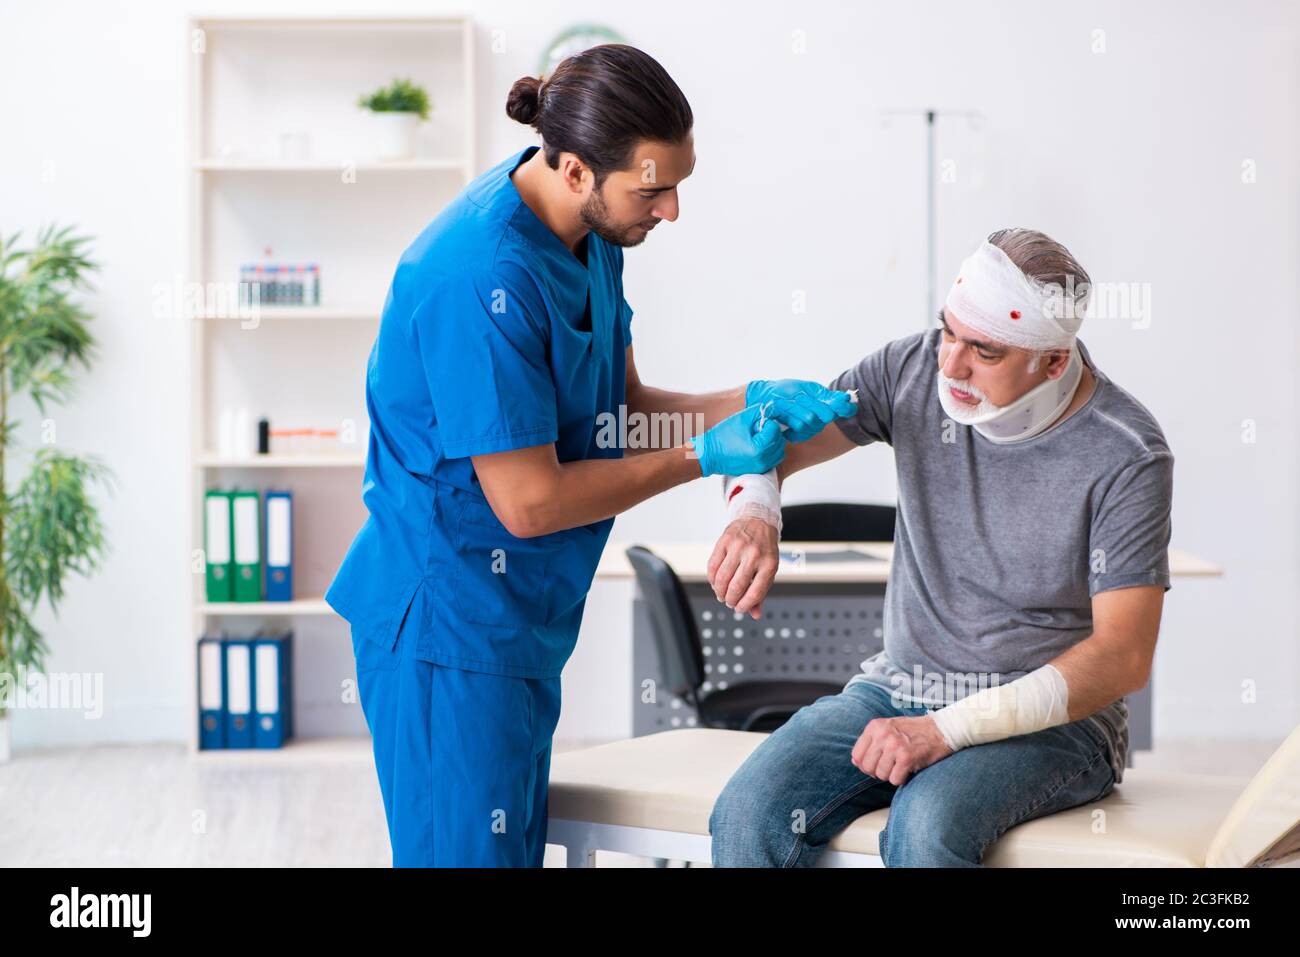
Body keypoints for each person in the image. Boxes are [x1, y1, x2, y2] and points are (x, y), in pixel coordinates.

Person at [324, 43, 855, 867]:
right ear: (575, 170)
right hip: (446, 625)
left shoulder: (594, 232)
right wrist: (704, 455)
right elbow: (528, 501)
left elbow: (623, 412)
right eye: (655, 188)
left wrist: (750, 399)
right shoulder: (474, 274)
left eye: (679, 183)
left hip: (515, 625)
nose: (672, 209)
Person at [707, 227, 1173, 866]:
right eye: (948, 331)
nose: (949, 364)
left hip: (1055, 724)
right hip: (897, 688)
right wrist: (754, 511)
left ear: (1054, 361)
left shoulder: (1126, 452)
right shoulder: (911, 368)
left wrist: (944, 732)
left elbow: (1122, 658)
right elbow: (763, 440)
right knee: (748, 810)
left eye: (983, 350)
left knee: (927, 827)